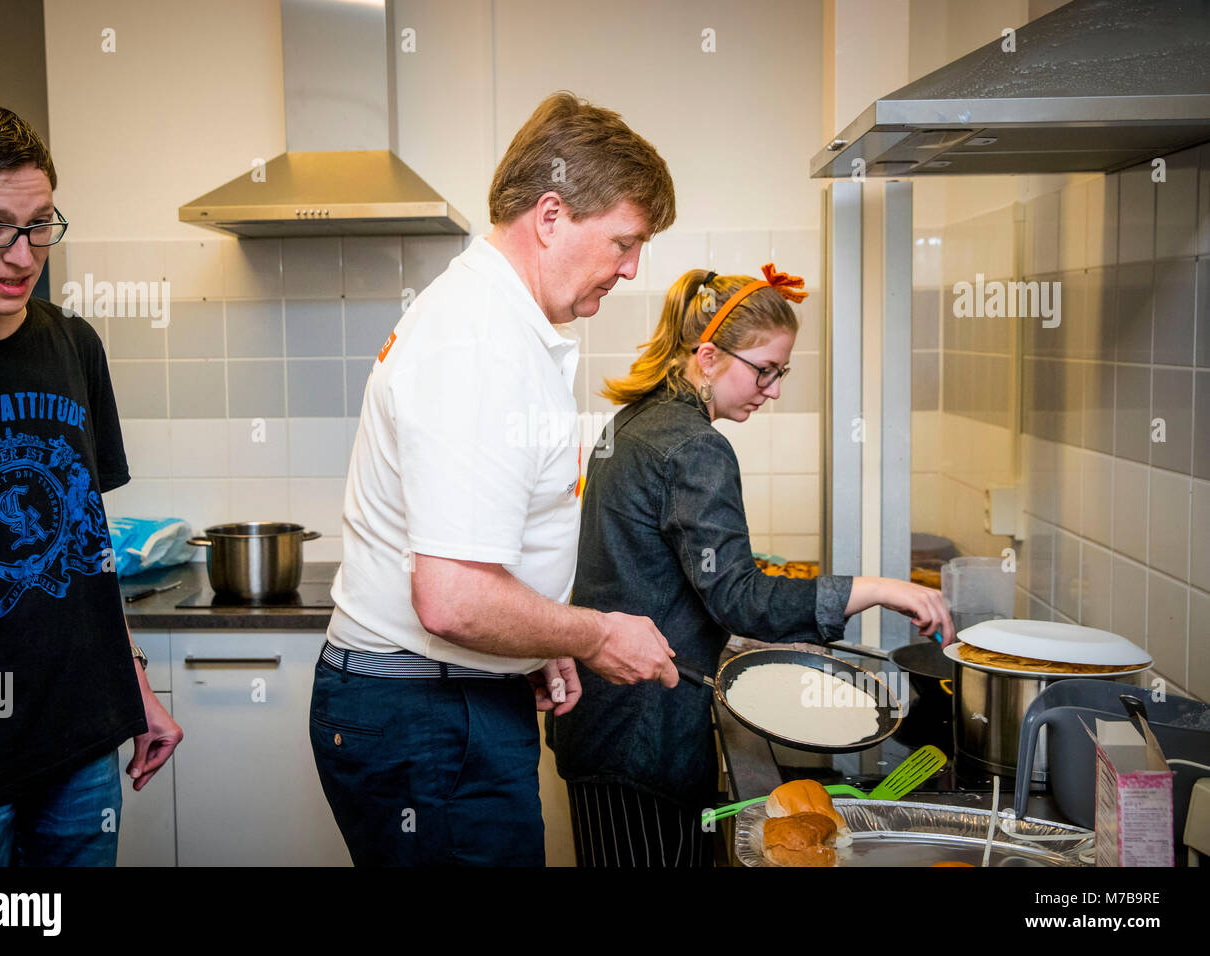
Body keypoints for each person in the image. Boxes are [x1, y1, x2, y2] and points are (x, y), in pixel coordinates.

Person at [310, 91, 682, 866]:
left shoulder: (497, 324)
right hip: (428, 714)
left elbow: (478, 565)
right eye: (624, 240)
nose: (632, 267)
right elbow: (451, 598)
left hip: (446, 697)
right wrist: (597, 635)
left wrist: (527, 641)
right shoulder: (479, 344)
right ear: (551, 216)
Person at [546, 265, 955, 866]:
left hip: (608, 720)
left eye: (781, 371)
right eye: (765, 370)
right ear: (708, 357)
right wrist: (875, 588)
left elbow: (661, 563)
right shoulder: (694, 446)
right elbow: (739, 598)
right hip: (642, 728)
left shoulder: (637, 418)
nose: (775, 389)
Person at [0, 100, 181, 867]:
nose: (22, 254)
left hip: (81, 752)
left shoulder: (72, 343)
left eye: (40, 225)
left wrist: (132, 685)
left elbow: (85, 537)